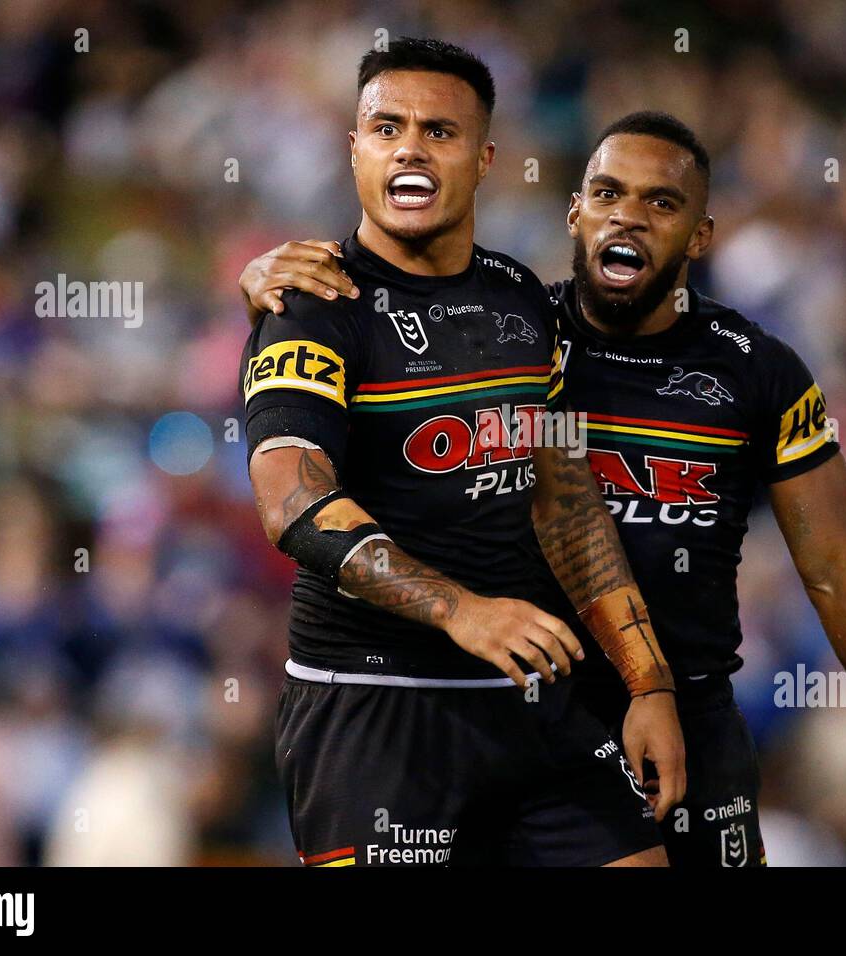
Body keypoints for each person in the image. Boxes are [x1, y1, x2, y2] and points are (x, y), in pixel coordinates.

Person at [242, 109, 846, 867]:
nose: (628, 214)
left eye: (661, 203)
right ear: (575, 213)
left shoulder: (761, 372)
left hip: (687, 707)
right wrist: (264, 290)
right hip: (530, 699)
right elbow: (338, 385)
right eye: (607, 193)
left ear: (700, 236)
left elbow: (835, 570)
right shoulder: (511, 329)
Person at [242, 38, 685, 867]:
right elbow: (290, 501)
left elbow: (567, 498)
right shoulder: (311, 302)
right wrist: (460, 611)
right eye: (386, 128)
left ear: (483, 160)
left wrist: (646, 679)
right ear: (356, 151)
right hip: (372, 706)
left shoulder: (520, 297)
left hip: (530, 698)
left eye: (439, 133)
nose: (409, 147)